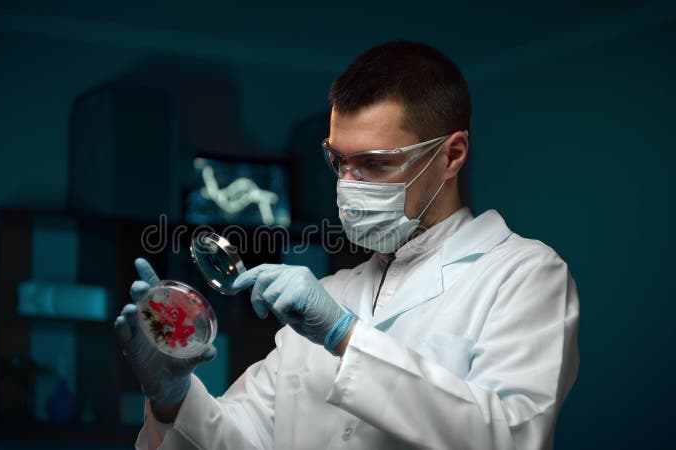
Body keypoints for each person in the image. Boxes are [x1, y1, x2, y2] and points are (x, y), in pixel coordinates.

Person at [114, 41, 579, 449]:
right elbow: (241, 438)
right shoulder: (329, 295)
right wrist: (172, 397)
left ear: (451, 155)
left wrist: (345, 336)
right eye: (339, 161)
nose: (349, 185)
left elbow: (514, 440)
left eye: (375, 164)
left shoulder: (524, 275)